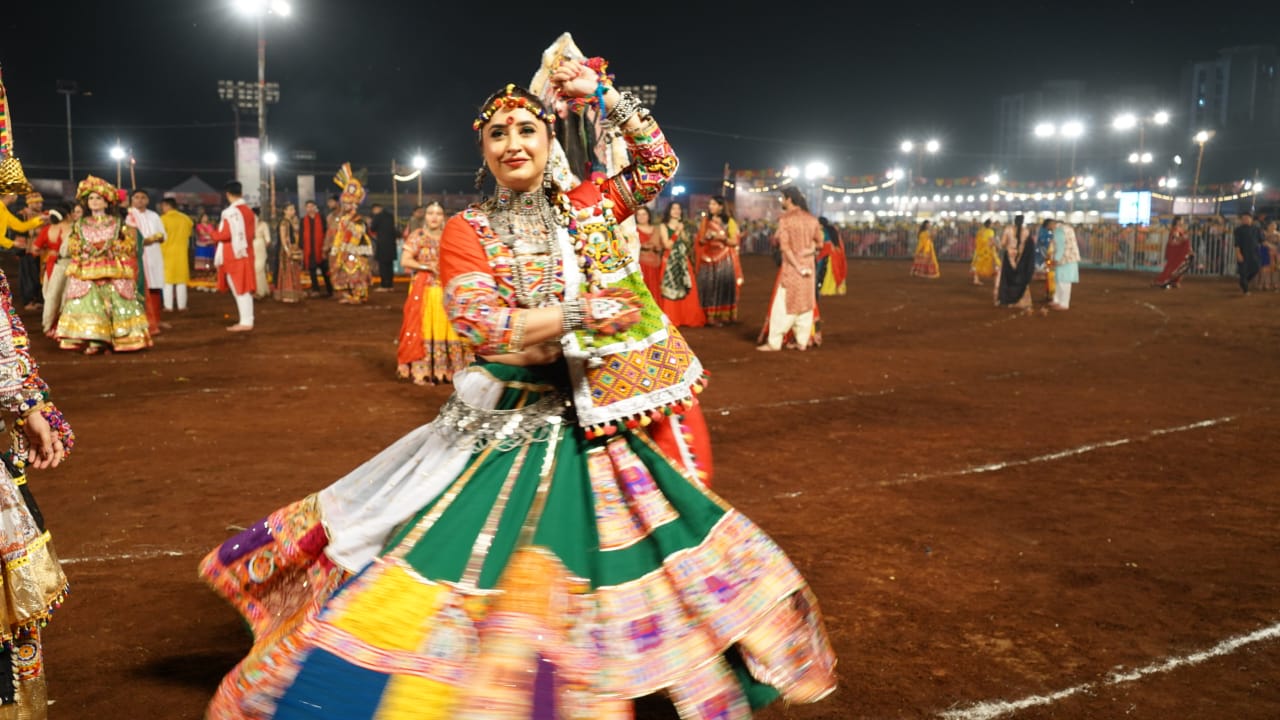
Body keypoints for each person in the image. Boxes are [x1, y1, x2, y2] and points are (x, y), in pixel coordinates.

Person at [199, 62, 834, 720]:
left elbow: (655, 162)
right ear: (484, 151)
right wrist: (584, 315)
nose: (513, 142)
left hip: (588, 425)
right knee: (460, 572)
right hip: (498, 431)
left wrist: (604, 97)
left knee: (628, 569)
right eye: (497, 133)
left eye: (527, 129)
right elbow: (485, 327)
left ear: (550, 141)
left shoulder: (586, 208)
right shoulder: (465, 231)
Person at [56, 176, 153, 352]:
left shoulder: (117, 223)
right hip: (87, 269)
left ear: (107, 202)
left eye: (98, 198)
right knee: (88, 301)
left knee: (118, 300)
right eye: (91, 198)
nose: (94, 202)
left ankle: (122, 338)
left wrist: (111, 247)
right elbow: (73, 245)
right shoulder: (80, 224)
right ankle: (95, 340)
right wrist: (87, 249)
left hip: (112, 269)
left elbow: (128, 245)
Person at [395, 201, 472, 384]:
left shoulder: (450, 236)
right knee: (425, 328)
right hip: (425, 291)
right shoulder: (417, 236)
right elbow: (405, 261)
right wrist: (426, 266)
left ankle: (449, 370)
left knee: (449, 329)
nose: (434, 217)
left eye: (438, 213)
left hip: (447, 291)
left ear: (443, 217)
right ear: (425, 216)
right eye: (430, 213)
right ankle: (423, 369)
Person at [757, 185, 823, 351]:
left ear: (789, 199)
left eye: (783, 198)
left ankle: (774, 343)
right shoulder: (812, 219)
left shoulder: (785, 220)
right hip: (809, 267)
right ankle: (802, 341)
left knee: (783, 304)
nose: (782, 201)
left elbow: (785, 248)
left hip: (792, 268)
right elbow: (820, 243)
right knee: (806, 304)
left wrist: (797, 265)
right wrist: (809, 251)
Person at [209, 181, 257, 331]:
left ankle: (246, 322)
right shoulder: (249, 211)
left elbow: (226, 234)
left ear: (228, 194)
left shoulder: (230, 212)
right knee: (243, 287)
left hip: (233, 254)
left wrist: (212, 233)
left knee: (239, 288)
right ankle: (247, 320)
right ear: (241, 193)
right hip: (246, 252)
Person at [656, 199, 705, 327]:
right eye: (674, 208)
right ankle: (672, 318)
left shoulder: (684, 225)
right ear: (669, 211)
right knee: (669, 290)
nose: (676, 211)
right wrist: (677, 231)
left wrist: (682, 231)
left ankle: (687, 317)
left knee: (688, 287)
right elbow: (667, 245)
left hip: (683, 261)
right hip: (670, 262)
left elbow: (687, 243)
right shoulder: (663, 226)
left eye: (678, 209)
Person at [329, 165, 373, 304]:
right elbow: (339, 234)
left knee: (357, 270)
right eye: (345, 203)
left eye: (349, 204)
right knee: (346, 270)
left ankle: (359, 294)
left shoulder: (358, 219)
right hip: (345, 249)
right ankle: (351, 293)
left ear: (355, 205)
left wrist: (347, 248)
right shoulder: (343, 218)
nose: (346, 206)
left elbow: (358, 234)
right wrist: (336, 249)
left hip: (356, 249)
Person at [33, 203, 80, 337]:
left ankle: (48, 325)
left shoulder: (47, 229)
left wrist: (48, 251)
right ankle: (63, 325)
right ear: (67, 215)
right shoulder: (73, 228)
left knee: (51, 295)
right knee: (67, 295)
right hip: (71, 264)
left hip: (52, 264)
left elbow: (35, 249)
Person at [126, 189, 167, 335]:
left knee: (155, 287)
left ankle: (156, 320)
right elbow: (128, 238)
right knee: (139, 288)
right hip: (137, 257)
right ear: (131, 200)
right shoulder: (128, 216)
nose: (140, 200)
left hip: (154, 255)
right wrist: (145, 240)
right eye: (136, 197)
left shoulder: (154, 216)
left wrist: (157, 237)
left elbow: (163, 236)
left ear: (148, 200)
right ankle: (141, 322)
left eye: (143, 197)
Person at [695, 195, 740, 325]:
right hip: (708, 259)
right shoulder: (706, 221)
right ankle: (708, 317)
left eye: (714, 204)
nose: (711, 207)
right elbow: (701, 240)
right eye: (710, 204)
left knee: (724, 285)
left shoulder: (729, 222)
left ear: (721, 206)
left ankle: (724, 315)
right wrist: (707, 237)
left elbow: (734, 241)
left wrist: (721, 238)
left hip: (724, 258)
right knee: (708, 286)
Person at [158, 198, 193, 311]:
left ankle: (168, 306)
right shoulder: (186, 219)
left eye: (163, 206)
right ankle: (182, 306)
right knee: (181, 281)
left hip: (166, 253)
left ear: (167, 206)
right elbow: (189, 233)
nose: (162, 208)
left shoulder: (163, 219)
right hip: (181, 253)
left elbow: (159, 237)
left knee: (167, 282)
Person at [14, 191, 45, 310]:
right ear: (29, 203)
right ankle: (28, 301)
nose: (39, 205)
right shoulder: (22, 215)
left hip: (41, 251)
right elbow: (19, 231)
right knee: (28, 276)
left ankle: (38, 300)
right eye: (36, 203)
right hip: (27, 250)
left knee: (39, 276)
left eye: (40, 203)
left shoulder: (44, 216)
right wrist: (20, 250)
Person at [997, 214, 1034, 309]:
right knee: (1020, 279)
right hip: (1022, 258)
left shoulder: (1008, 229)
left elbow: (1002, 244)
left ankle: (1008, 299)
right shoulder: (1026, 231)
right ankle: (1022, 301)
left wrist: (996, 243)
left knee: (1008, 279)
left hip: (1010, 257)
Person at [274, 203, 306, 303]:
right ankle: (287, 295)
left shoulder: (291, 221)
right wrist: (288, 251)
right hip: (286, 250)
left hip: (292, 248)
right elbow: (283, 239)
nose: (293, 211)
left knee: (293, 270)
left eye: (294, 209)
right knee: (287, 271)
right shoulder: (284, 223)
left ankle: (294, 293)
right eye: (291, 209)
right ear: (285, 211)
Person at [299, 200, 331, 297]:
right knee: (312, 271)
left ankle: (330, 289)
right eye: (308, 207)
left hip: (321, 249)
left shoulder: (321, 218)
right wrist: (301, 247)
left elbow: (326, 232)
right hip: (310, 250)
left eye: (311, 206)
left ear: (315, 207)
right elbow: (301, 234)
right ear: (305, 208)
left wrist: (326, 245)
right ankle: (315, 289)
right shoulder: (303, 220)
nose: (310, 208)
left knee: (325, 270)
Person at [1153, 216, 1193, 289]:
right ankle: (1163, 280)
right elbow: (1175, 240)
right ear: (1178, 221)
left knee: (1179, 266)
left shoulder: (1179, 229)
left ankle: (1174, 281)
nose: (1183, 221)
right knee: (1172, 266)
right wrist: (1184, 238)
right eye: (1182, 220)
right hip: (1175, 251)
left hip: (1179, 251)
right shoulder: (1175, 230)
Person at [1049, 221, 1081, 311]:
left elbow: (1060, 247)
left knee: (1063, 282)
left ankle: (1063, 303)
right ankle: (1057, 300)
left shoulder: (1059, 231)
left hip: (1064, 260)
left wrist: (1055, 259)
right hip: (1069, 259)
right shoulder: (1067, 229)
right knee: (1060, 281)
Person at [369, 203, 399, 292]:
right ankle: (390, 285)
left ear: (376, 209)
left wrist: (371, 222)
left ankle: (384, 285)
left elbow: (373, 228)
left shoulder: (378, 217)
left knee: (383, 266)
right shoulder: (390, 216)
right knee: (390, 265)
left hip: (382, 244)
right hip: (391, 244)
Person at [635, 204, 662, 299]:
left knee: (654, 293)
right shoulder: (633, 230)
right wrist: (642, 247)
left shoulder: (657, 229)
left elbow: (661, 246)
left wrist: (657, 247)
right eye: (639, 215)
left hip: (655, 266)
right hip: (641, 266)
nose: (641, 217)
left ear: (649, 215)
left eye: (644, 214)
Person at [1233, 211, 1263, 295]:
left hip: (1254, 253)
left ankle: (1244, 282)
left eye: (1247, 218)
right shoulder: (1238, 230)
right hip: (1243, 253)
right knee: (1243, 271)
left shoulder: (1256, 229)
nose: (1245, 220)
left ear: (1251, 219)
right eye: (1243, 218)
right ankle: (1245, 289)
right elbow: (1237, 243)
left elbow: (1262, 241)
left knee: (1256, 268)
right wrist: (1238, 253)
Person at [817, 216, 847, 296]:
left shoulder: (822, 232)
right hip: (835, 254)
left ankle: (825, 289)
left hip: (826, 254)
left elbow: (821, 244)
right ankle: (838, 289)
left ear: (821, 224)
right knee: (835, 272)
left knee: (823, 272)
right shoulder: (832, 230)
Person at [192, 211, 217, 288]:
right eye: (204, 217)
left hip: (210, 244)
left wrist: (211, 237)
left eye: (206, 217)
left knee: (210, 261)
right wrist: (210, 236)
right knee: (202, 263)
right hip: (202, 245)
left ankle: (210, 277)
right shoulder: (199, 226)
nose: (205, 218)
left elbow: (213, 233)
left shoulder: (210, 225)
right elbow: (203, 233)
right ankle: (201, 278)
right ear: (201, 218)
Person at [971, 218, 998, 285]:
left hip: (979, 251)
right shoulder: (990, 231)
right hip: (987, 251)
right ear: (990, 225)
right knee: (996, 264)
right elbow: (991, 241)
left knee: (977, 265)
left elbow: (976, 241)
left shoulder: (980, 231)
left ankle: (976, 279)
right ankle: (997, 281)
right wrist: (996, 246)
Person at [252, 207, 271, 299]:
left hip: (260, 248)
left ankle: (260, 292)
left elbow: (268, 240)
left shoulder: (263, 225)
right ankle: (265, 289)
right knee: (259, 271)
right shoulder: (248, 225)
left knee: (258, 269)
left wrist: (262, 248)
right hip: (251, 249)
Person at [1258, 219, 1278, 292]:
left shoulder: (1278, 234)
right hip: (1265, 252)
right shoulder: (1263, 234)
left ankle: (1275, 284)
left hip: (1275, 254)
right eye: (1271, 225)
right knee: (1265, 269)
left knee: (1274, 270)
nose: (1273, 227)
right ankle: (1265, 284)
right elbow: (1262, 243)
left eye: (1274, 225)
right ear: (1267, 226)